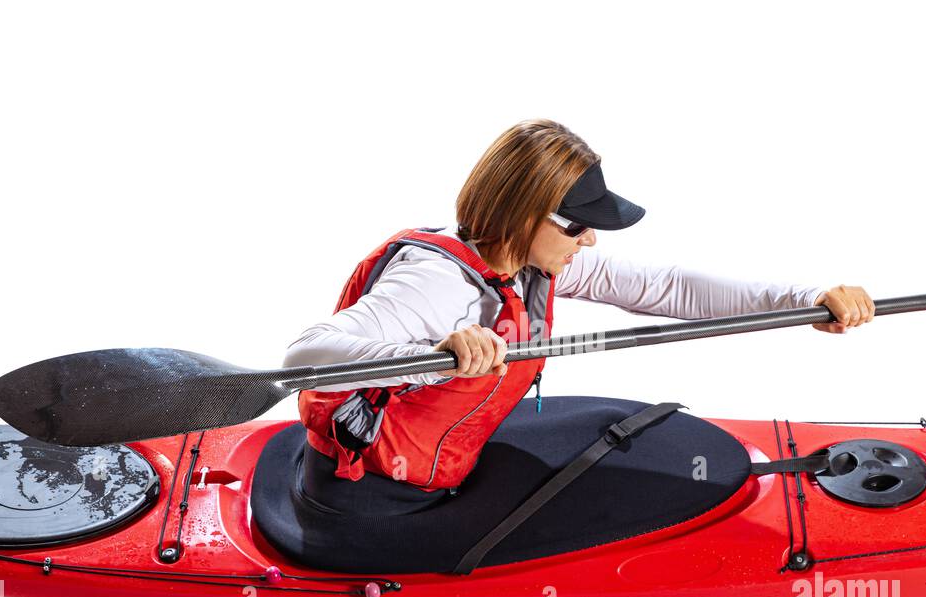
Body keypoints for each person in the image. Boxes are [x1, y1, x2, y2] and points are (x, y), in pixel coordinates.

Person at [285, 119, 874, 497]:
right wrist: (432, 355)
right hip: (380, 496)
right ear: (524, 214)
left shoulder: (526, 261)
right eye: (580, 226)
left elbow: (667, 288)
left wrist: (804, 301)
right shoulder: (437, 284)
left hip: (453, 454)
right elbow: (305, 354)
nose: (590, 239)